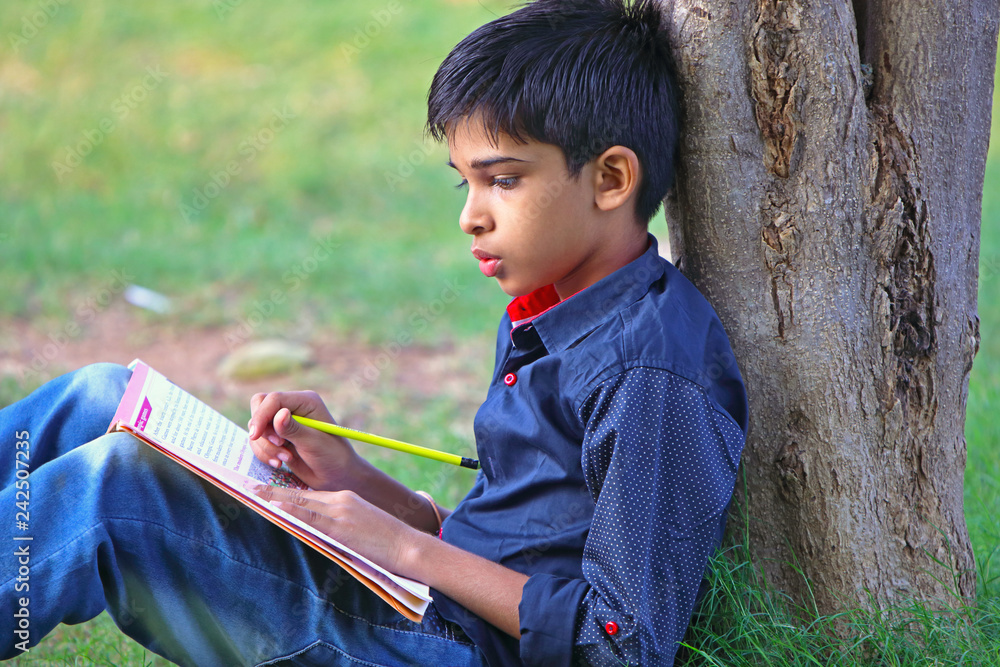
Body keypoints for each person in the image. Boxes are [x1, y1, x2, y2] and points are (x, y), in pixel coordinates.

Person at [1, 0, 748, 664]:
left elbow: (622, 643)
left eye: (505, 179)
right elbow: (522, 537)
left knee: (114, 491)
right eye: (466, 181)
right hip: (416, 596)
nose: (471, 214)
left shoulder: (650, 378)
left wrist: (404, 549)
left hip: (435, 644)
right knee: (101, 396)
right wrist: (358, 483)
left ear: (612, 179)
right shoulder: (554, 305)